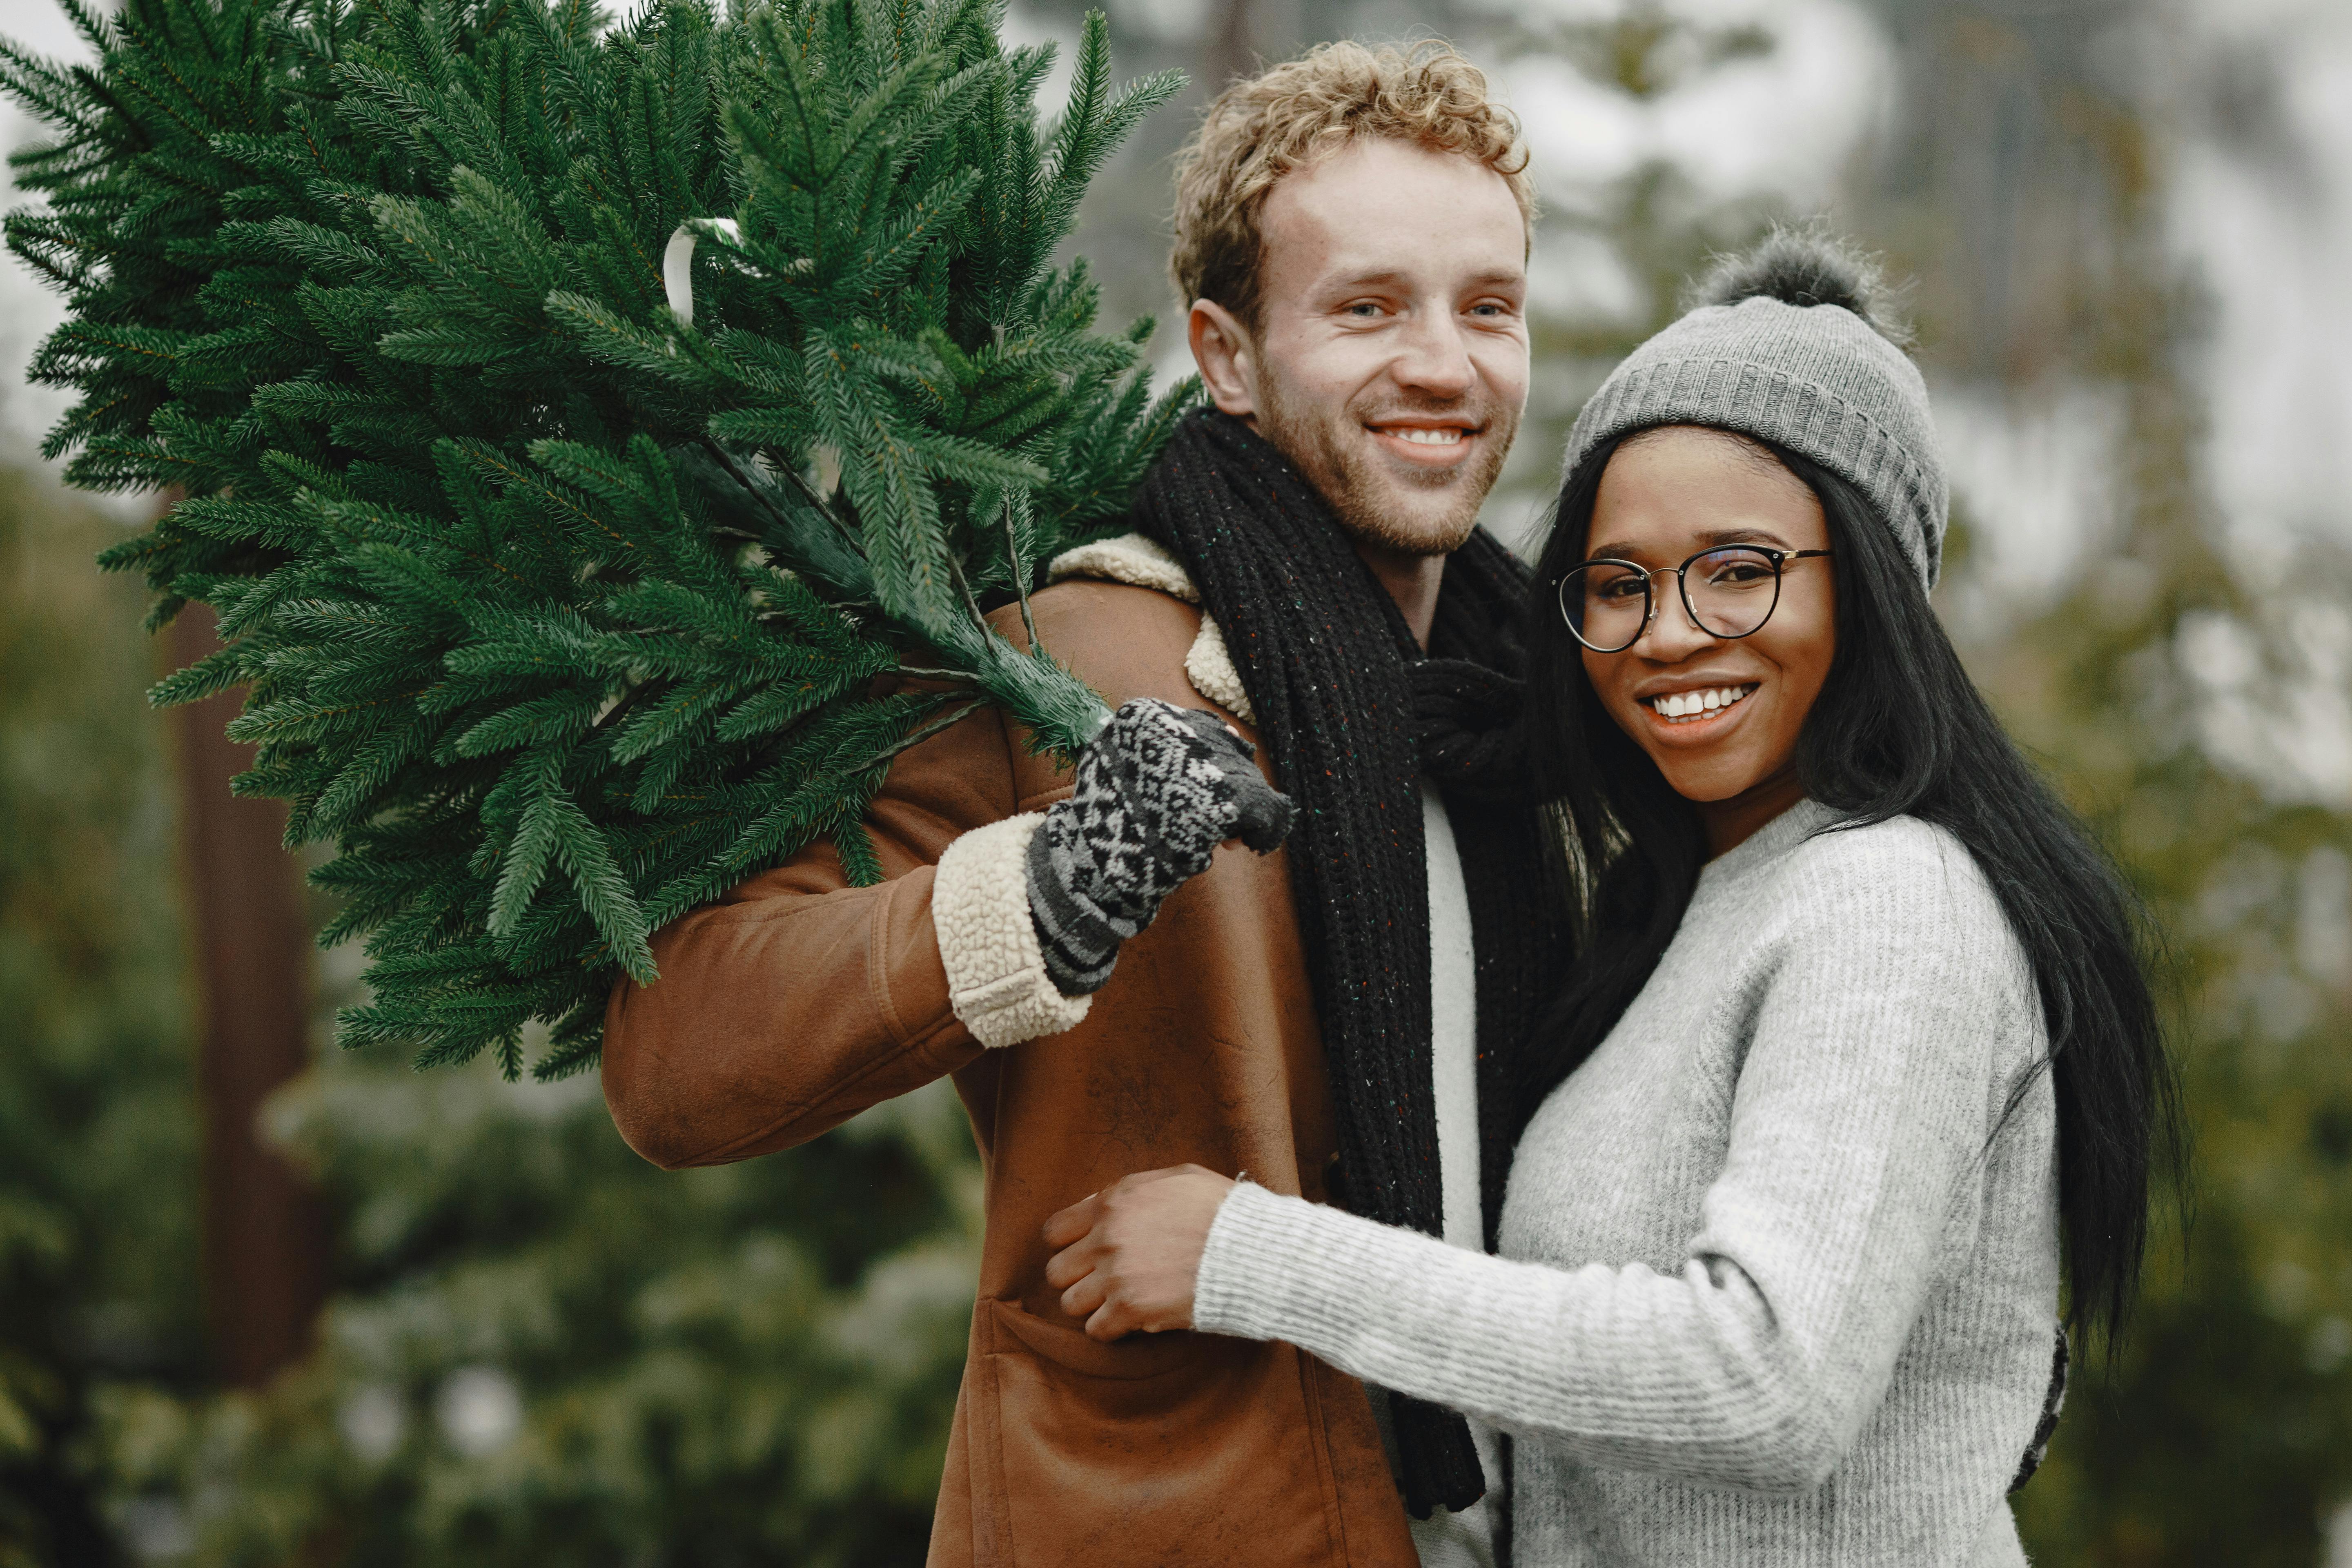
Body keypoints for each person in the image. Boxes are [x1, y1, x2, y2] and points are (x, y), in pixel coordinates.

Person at [1040, 230, 2182, 1565]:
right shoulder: (1691, 903)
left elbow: (1762, 1377)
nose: (1672, 634)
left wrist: (1257, 1259)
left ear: (1873, 587)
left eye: (1742, 569)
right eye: (1619, 586)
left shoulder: (1888, 904)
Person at [599, 40, 1568, 1568]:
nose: (1443, 363)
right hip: (1180, 1519)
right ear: (1230, 355)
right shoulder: (1075, 662)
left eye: (1487, 308)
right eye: (1368, 306)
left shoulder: (1553, 708)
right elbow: (678, 1049)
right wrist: (1045, 891)